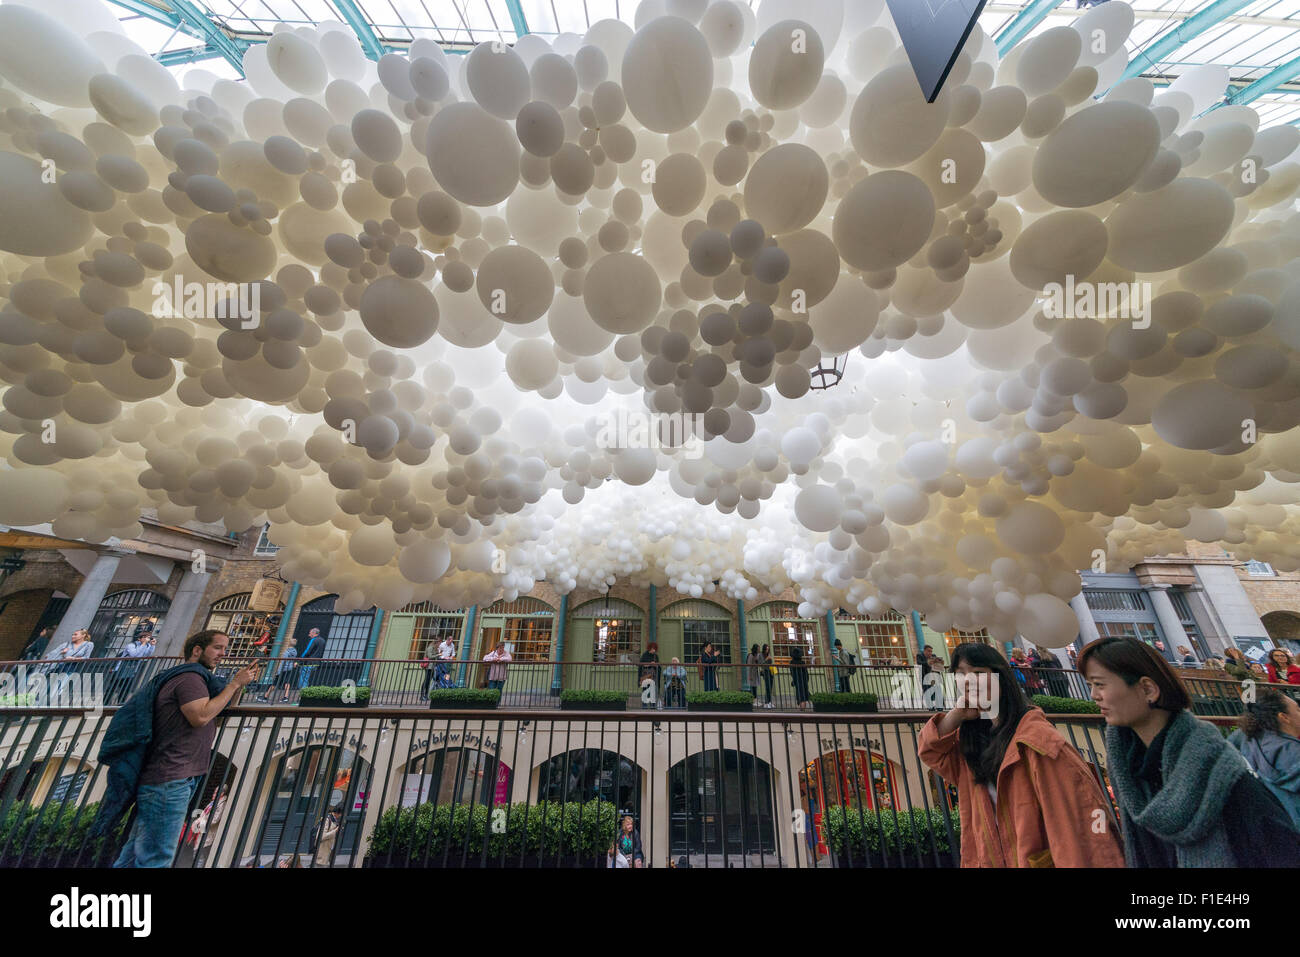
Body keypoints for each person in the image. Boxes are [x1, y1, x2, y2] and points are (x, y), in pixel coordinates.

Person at [1080, 636, 1300, 867]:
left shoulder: (1224, 774)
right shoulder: (1127, 766)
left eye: (1100, 684)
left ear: (1147, 689)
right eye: (1090, 686)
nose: (1094, 695)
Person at [918, 642, 1125, 868]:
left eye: (978, 673)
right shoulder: (972, 741)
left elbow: (1080, 820)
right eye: (960, 675)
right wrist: (956, 714)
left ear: (1001, 678)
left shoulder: (1037, 740)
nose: (967, 681)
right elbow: (931, 752)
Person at [113, 630, 260, 868]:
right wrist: (233, 683)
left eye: (225, 649)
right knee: (157, 858)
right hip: (170, 777)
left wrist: (238, 686)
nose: (223, 654)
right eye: (218, 648)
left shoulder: (196, 680)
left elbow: (215, 715)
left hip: (169, 777)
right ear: (197, 650)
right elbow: (201, 716)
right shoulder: (191, 679)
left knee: (131, 856)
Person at [1229, 689, 1300, 830]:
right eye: (1298, 710)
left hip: (1272, 829)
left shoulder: (1246, 739)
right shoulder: (1292, 752)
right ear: (1284, 717)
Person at [112, 633, 156, 704]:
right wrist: (143, 644)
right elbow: (134, 655)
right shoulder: (131, 645)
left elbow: (147, 655)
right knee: (112, 688)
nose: (147, 639)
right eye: (145, 637)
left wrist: (152, 646)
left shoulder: (146, 646)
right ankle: (105, 703)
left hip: (131, 670)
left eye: (148, 638)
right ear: (139, 638)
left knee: (125, 689)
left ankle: (120, 704)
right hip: (120, 670)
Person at [275, 637, 299, 702]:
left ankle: (266, 696)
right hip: (290, 668)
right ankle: (286, 696)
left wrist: (278, 671)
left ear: (289, 643)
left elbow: (283, 662)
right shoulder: (295, 651)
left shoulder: (287, 652)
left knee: (275, 683)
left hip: (284, 669)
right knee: (287, 682)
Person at [789, 645, 811, 710]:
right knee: (804, 694)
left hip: (797, 680)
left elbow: (792, 673)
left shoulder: (792, 663)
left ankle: (802, 708)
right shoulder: (802, 662)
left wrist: (794, 680)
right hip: (803, 680)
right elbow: (806, 673)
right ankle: (803, 708)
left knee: (800, 694)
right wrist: (806, 679)